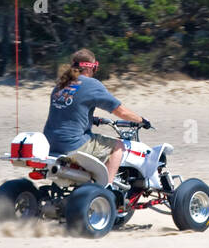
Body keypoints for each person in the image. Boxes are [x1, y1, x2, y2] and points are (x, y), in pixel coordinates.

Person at [43, 48, 147, 187]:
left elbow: (69, 111)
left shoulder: (61, 84)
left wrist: (91, 119)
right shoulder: (91, 84)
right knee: (118, 147)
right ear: (90, 67)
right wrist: (142, 120)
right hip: (73, 143)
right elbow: (121, 112)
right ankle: (107, 190)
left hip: (50, 142)